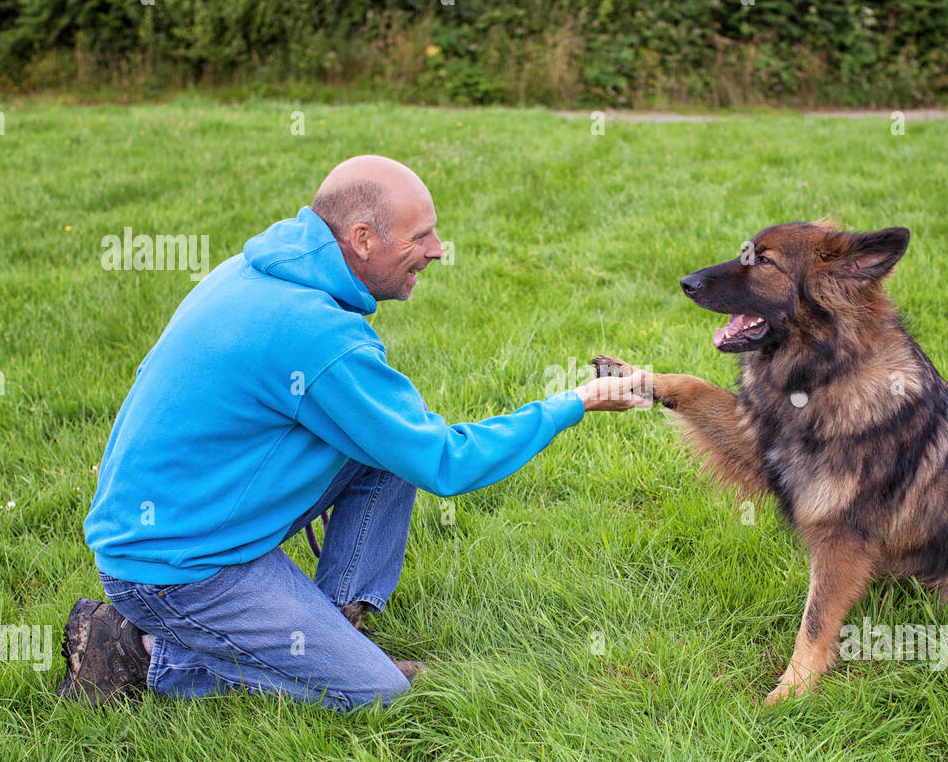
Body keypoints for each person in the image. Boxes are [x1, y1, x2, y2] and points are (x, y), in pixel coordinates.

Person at [60, 155, 648, 711]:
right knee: (377, 694)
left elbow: (406, 441)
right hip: (176, 567)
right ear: (362, 239)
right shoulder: (315, 333)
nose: (438, 252)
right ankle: (138, 653)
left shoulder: (264, 271)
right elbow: (447, 463)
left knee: (389, 440)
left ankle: (334, 625)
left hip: (198, 515)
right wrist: (574, 402)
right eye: (421, 237)